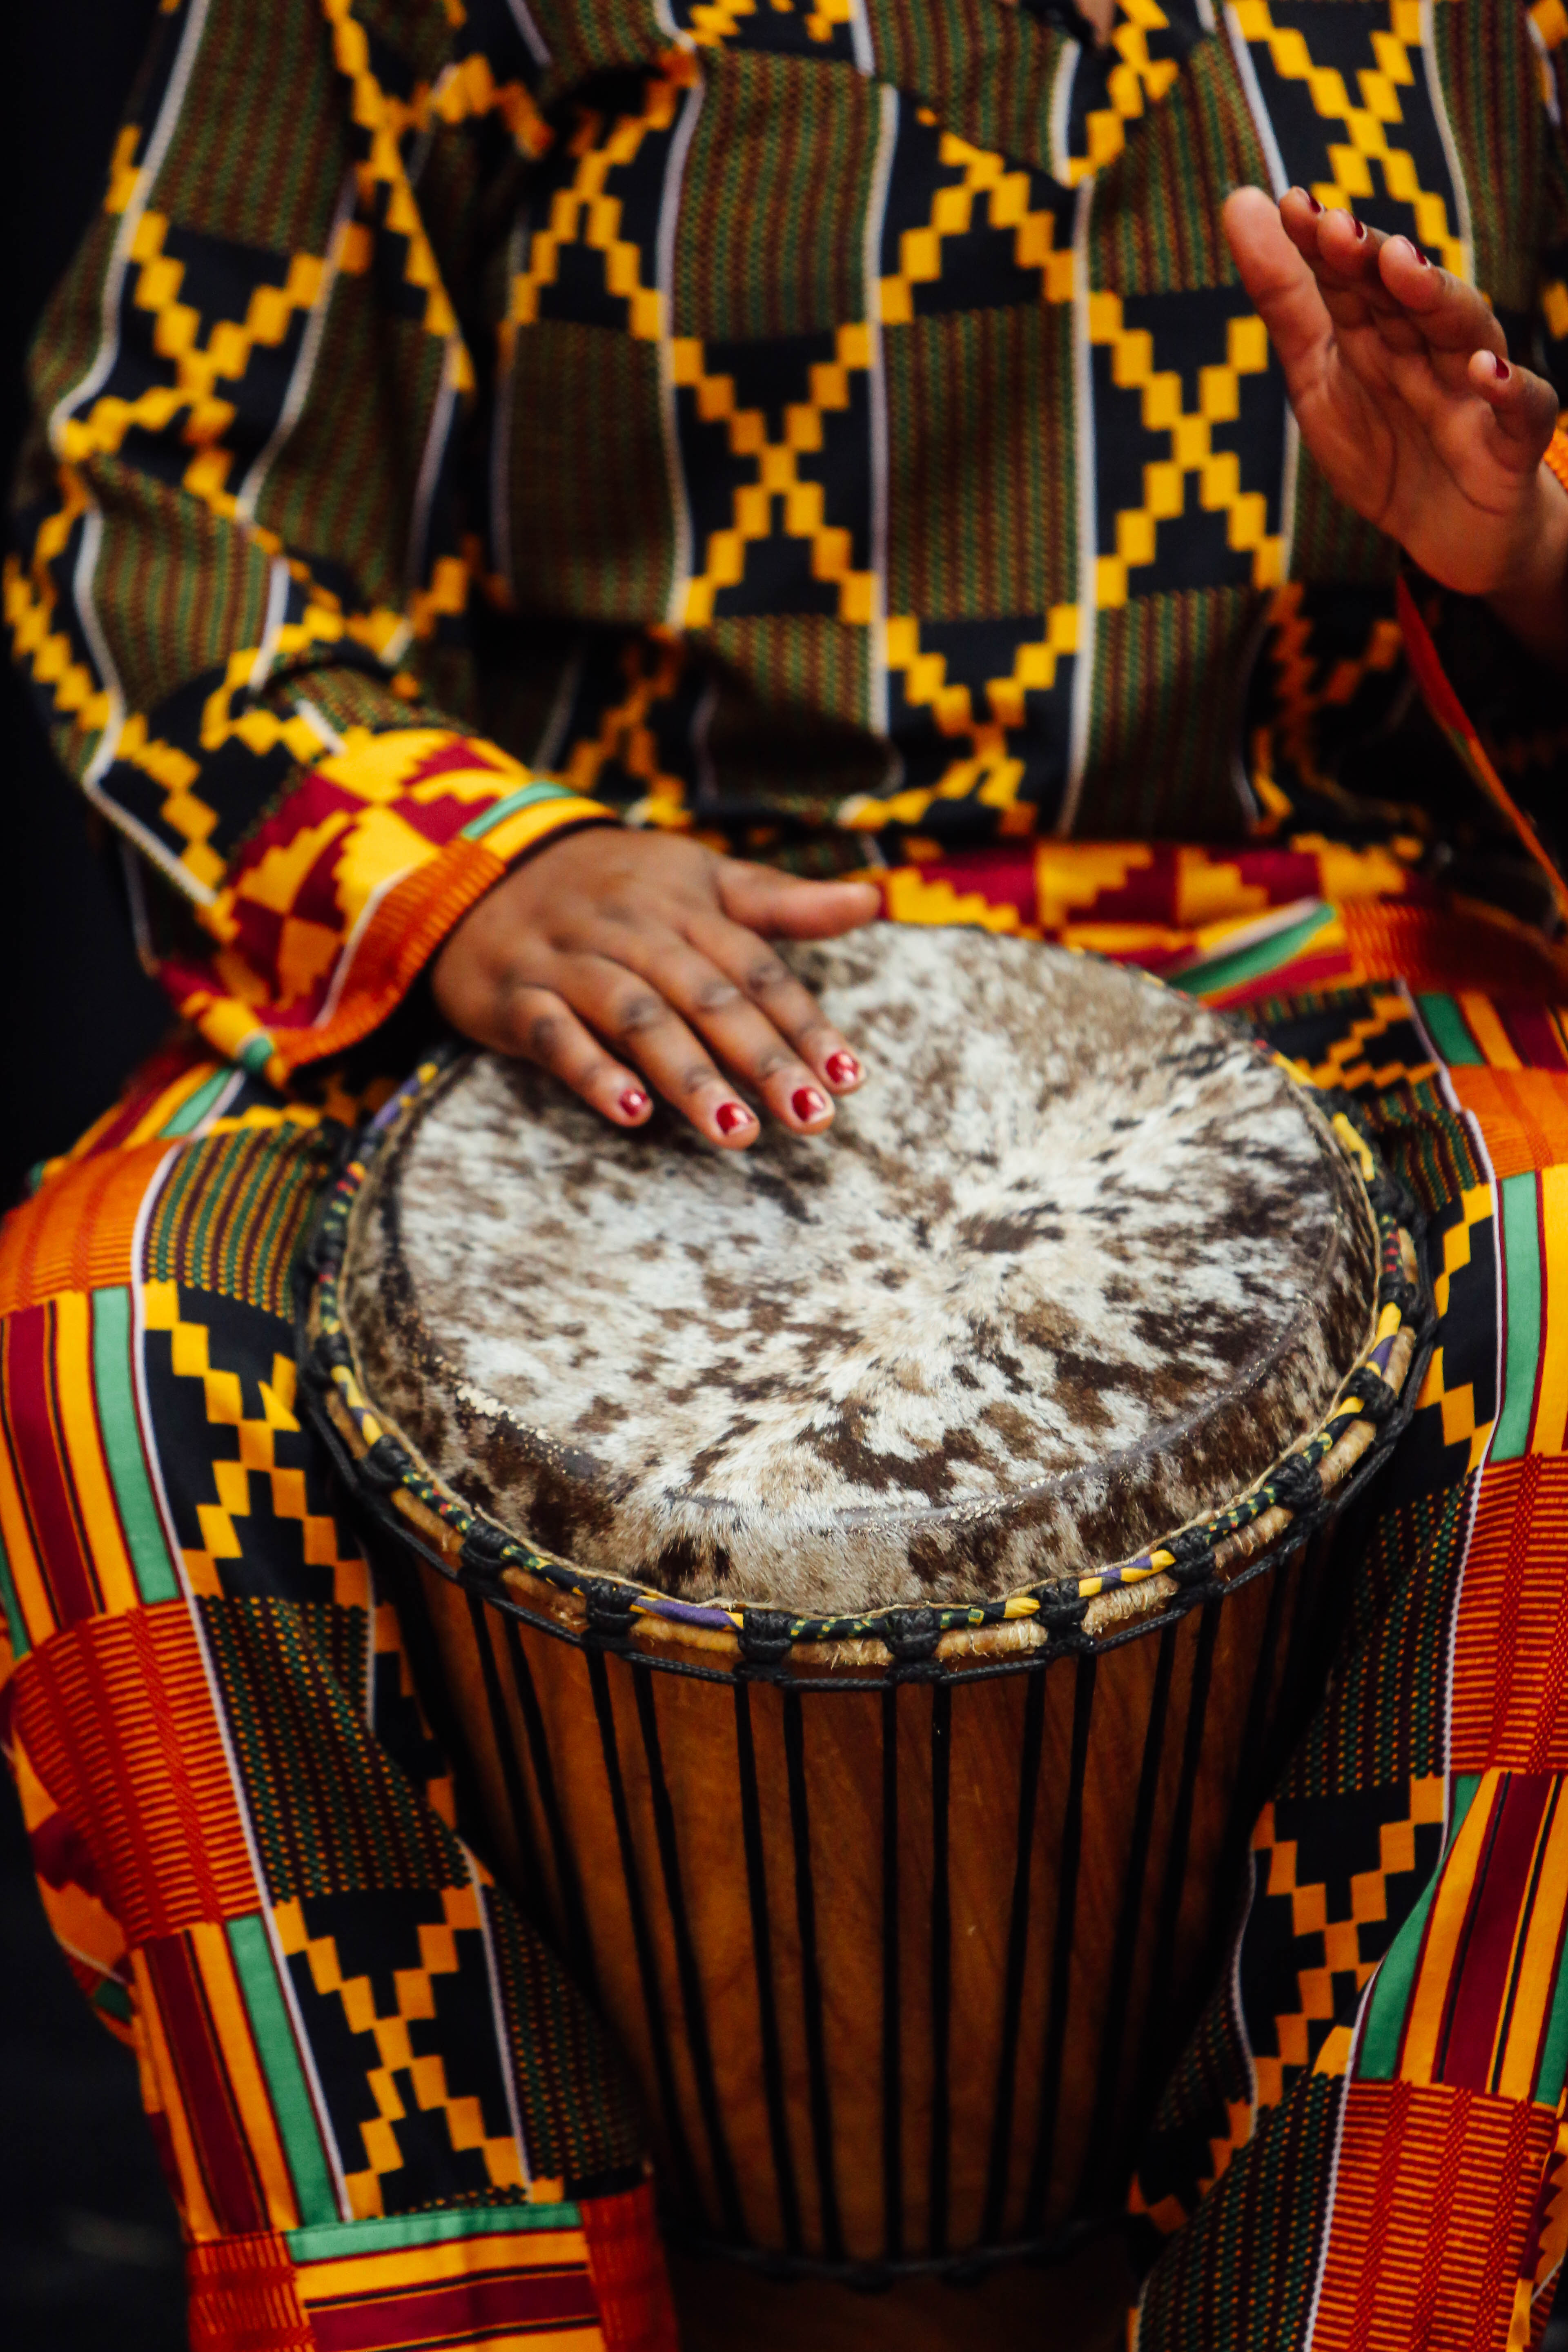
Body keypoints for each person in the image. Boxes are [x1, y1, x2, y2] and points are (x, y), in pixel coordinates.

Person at [4, 0, 1568, 2343]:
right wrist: (476, 869)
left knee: (1566, 1268)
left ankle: (1344, 2289)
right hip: (637, 922)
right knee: (116, 1329)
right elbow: (151, 490)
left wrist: (1529, 552)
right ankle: (451, 2289)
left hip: (1293, 920)